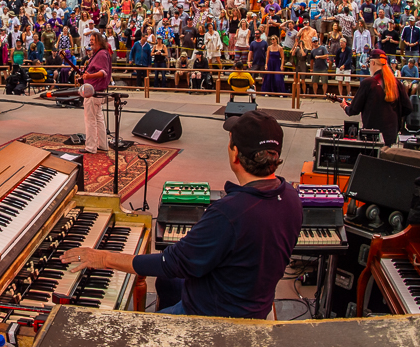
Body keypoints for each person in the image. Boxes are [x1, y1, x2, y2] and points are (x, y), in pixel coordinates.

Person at [59, 110, 302, 319]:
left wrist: (103, 258)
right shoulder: (290, 196)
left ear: (235, 154)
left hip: (215, 317)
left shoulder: (230, 213)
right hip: (254, 299)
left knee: (131, 329)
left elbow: (171, 262)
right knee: (168, 284)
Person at [340, 49, 409, 146]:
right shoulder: (396, 83)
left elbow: (354, 110)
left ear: (372, 63)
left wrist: (345, 107)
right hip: (391, 132)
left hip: (372, 133)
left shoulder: (368, 83)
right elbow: (408, 108)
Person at [80, 31, 112, 154]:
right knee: (99, 119)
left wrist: (89, 77)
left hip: (93, 91)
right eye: (90, 39)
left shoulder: (101, 54)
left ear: (99, 40)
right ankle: (103, 144)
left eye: (93, 39)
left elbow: (103, 72)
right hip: (96, 91)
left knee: (90, 120)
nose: (91, 41)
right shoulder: (99, 54)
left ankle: (91, 147)